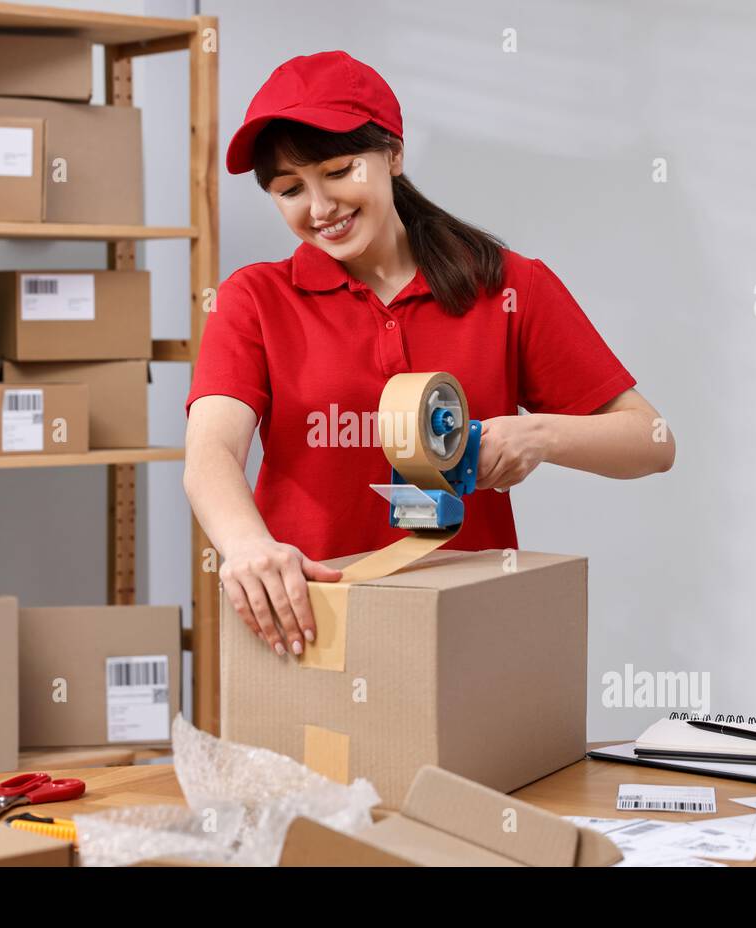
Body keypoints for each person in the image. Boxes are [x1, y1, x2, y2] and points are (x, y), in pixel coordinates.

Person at [185, 51, 674, 658]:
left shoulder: (506, 287)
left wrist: (536, 436)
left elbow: (652, 441)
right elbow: (210, 454)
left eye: (339, 171)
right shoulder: (256, 298)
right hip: (310, 627)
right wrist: (247, 546)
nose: (319, 209)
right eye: (289, 190)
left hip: (467, 632)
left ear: (392, 153)